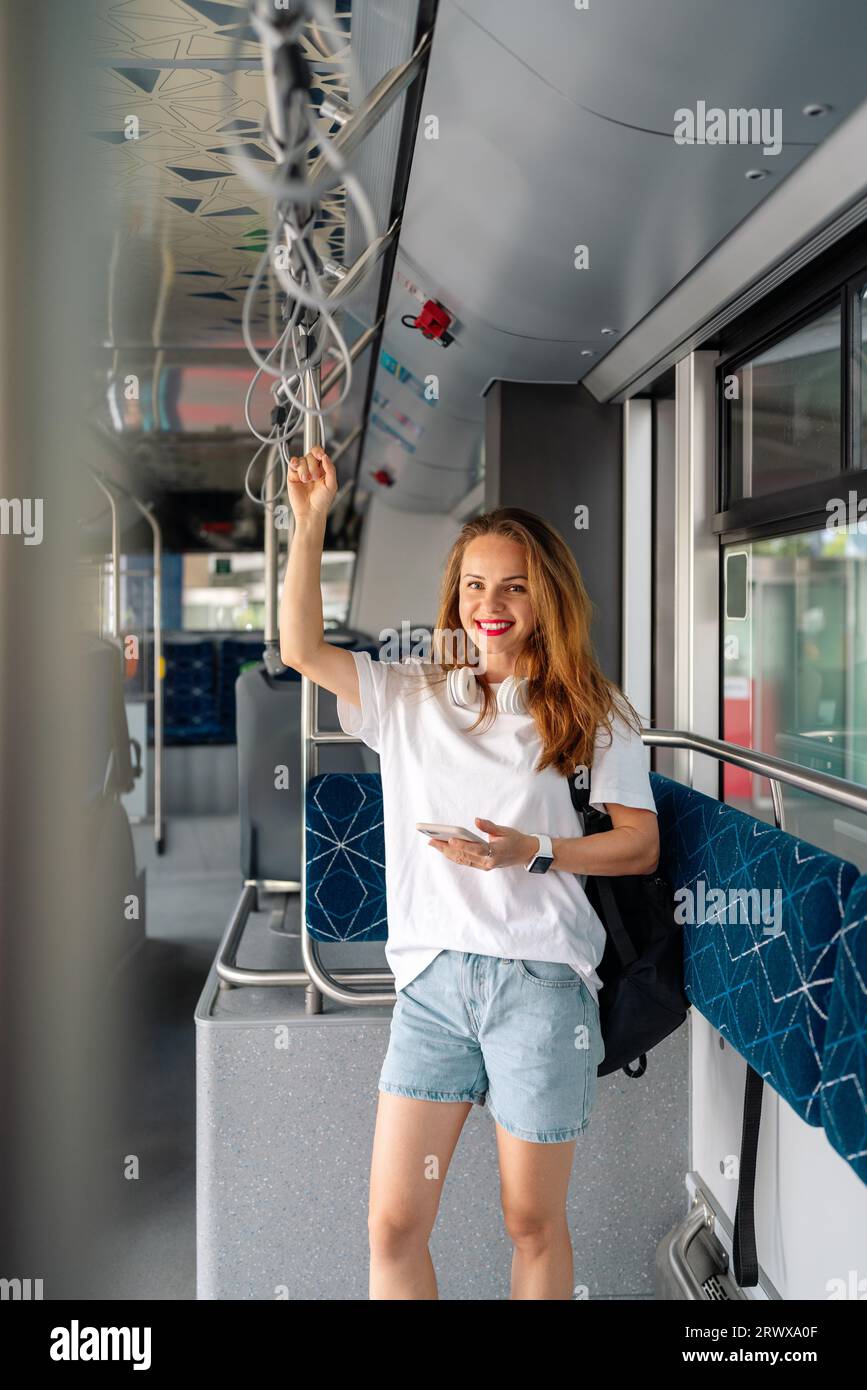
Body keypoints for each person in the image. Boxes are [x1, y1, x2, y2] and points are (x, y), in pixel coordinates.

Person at [279, 445, 659, 1301]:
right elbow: (300, 646)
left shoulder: (590, 712)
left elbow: (637, 846)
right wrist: (308, 528)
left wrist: (535, 851)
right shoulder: (409, 695)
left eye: (514, 585)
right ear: (455, 596)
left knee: (529, 1222)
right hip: (431, 987)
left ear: (545, 597)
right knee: (392, 1226)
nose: (490, 605)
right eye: (475, 585)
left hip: (540, 983)